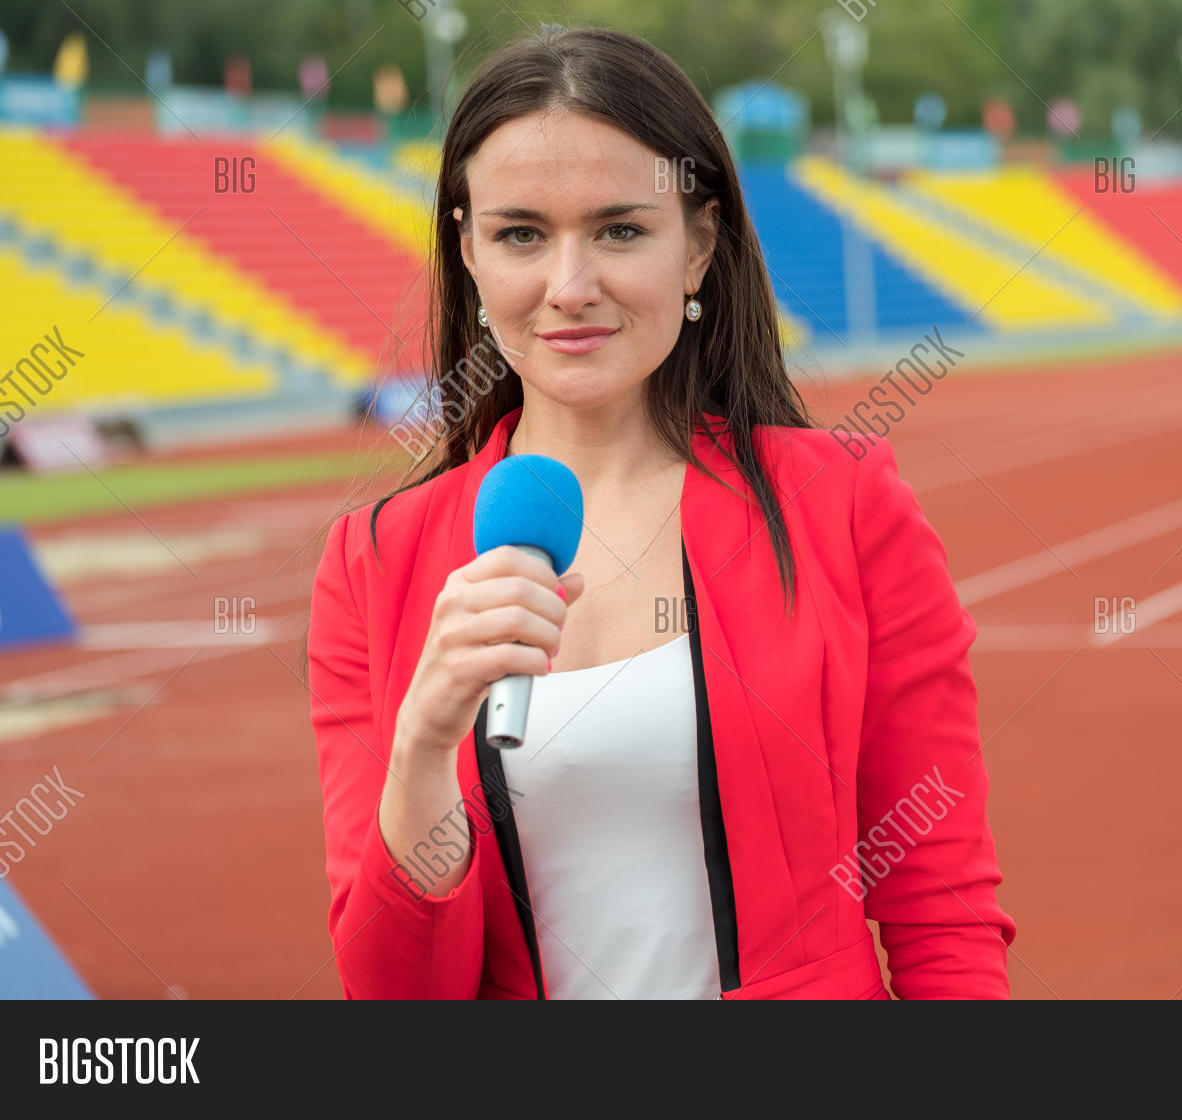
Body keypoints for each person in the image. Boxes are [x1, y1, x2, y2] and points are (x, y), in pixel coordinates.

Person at [307, 25, 1015, 1000]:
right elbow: (395, 993)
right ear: (468, 253)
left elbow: (942, 913)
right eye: (521, 234)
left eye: (620, 230)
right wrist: (423, 748)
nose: (570, 288)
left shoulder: (843, 506)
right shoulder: (374, 563)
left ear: (699, 246)